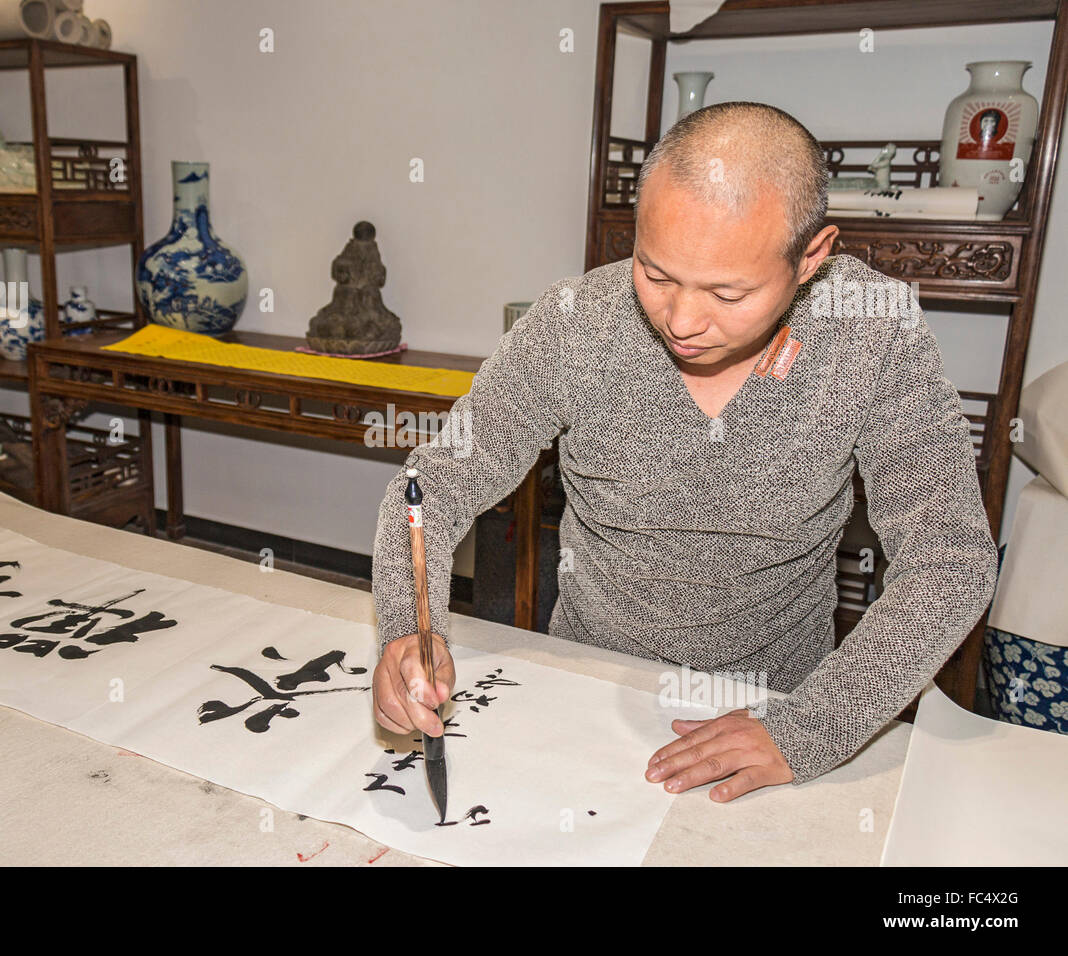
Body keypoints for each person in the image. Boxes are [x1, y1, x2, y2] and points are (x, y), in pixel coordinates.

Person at [369, 102, 998, 801]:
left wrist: (810, 729)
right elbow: (435, 485)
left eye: (729, 293)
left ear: (813, 256)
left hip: (771, 704)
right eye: (657, 274)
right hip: (585, 684)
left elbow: (950, 558)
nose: (683, 322)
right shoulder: (576, 324)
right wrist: (406, 627)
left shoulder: (871, 332)